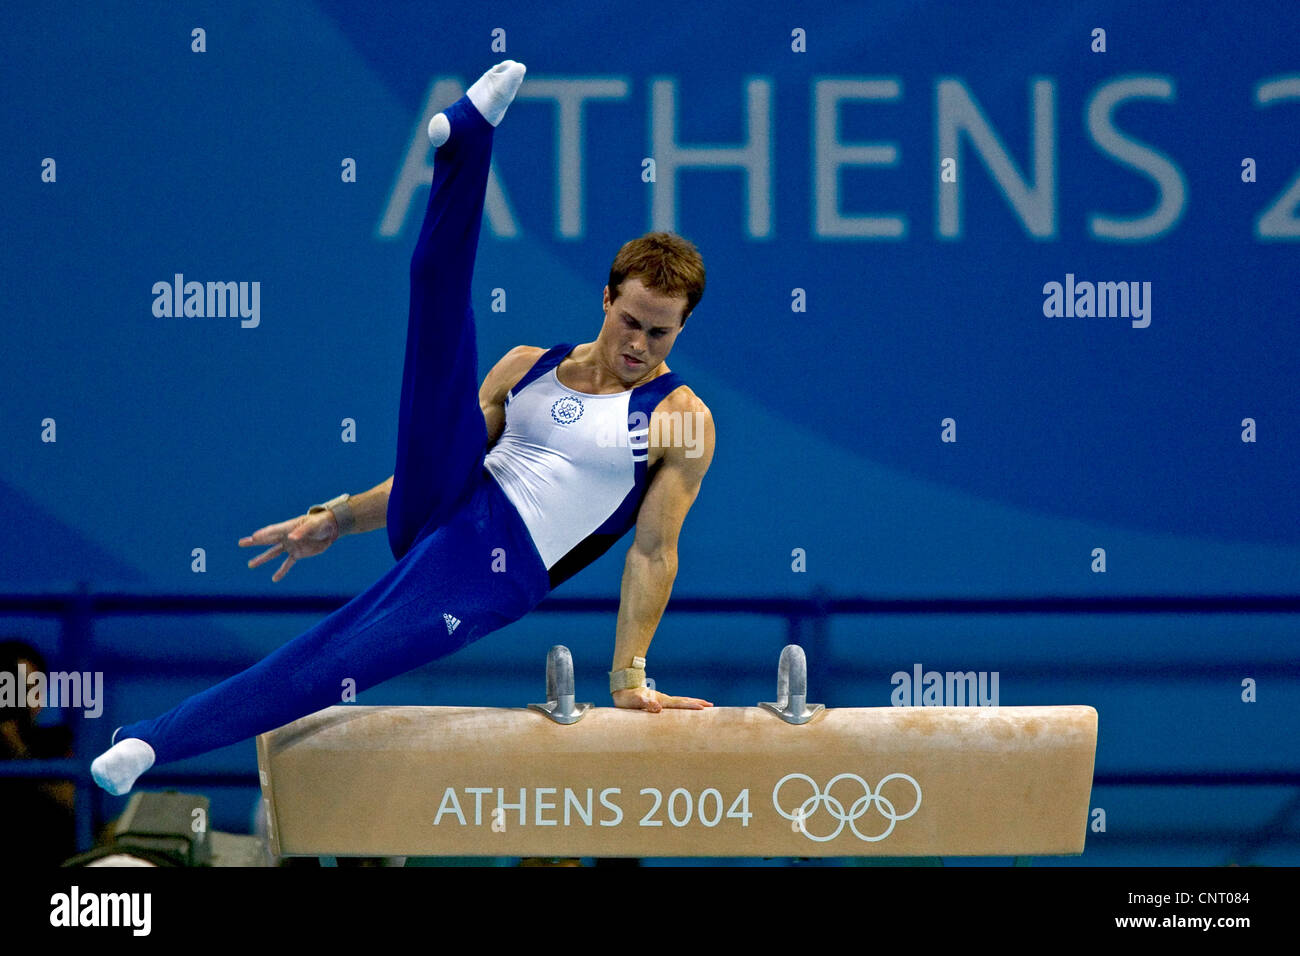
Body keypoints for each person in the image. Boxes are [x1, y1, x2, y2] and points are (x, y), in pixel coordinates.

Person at [92, 60, 716, 796]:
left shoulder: (683, 421)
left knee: (332, 661)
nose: (641, 344)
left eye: (662, 334)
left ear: (681, 329)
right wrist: (338, 517)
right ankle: (467, 144)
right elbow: (431, 466)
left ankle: (147, 742)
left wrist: (627, 676)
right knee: (437, 315)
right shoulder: (527, 368)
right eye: (630, 321)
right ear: (607, 297)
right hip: (450, 502)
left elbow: (652, 551)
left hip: (494, 569)